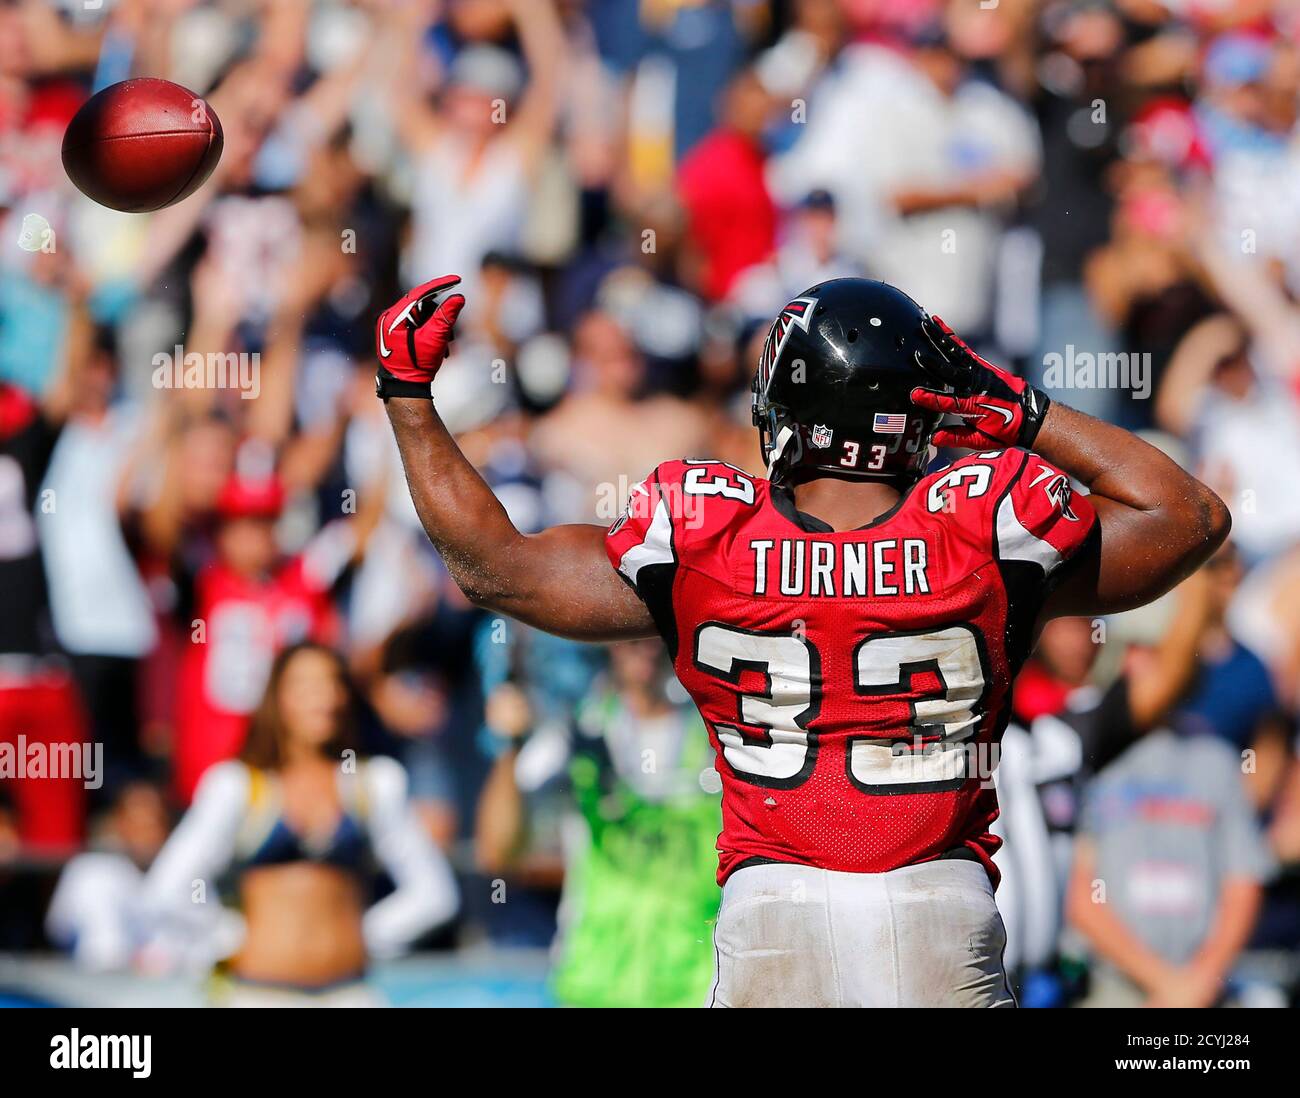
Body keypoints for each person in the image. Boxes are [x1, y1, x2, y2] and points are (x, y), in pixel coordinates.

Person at [374, 273, 1229, 1007]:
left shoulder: (710, 539)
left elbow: (497, 569)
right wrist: (1021, 410)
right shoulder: (982, 530)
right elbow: (1190, 518)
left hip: (775, 908)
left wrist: (408, 400)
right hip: (939, 908)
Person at [142, 642, 459, 1006]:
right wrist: (229, 939)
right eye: (305, 685)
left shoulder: (373, 784)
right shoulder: (240, 786)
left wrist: (364, 935)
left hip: (350, 993)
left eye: (332, 683)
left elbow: (434, 895)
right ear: (277, 699)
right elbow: (167, 890)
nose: (323, 698)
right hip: (258, 994)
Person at [475, 638, 721, 1008]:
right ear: (605, 637)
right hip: (593, 989)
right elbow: (497, 853)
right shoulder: (575, 733)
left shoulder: (720, 738)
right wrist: (508, 743)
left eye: (655, 626)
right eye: (630, 628)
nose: (644, 645)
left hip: (697, 992)